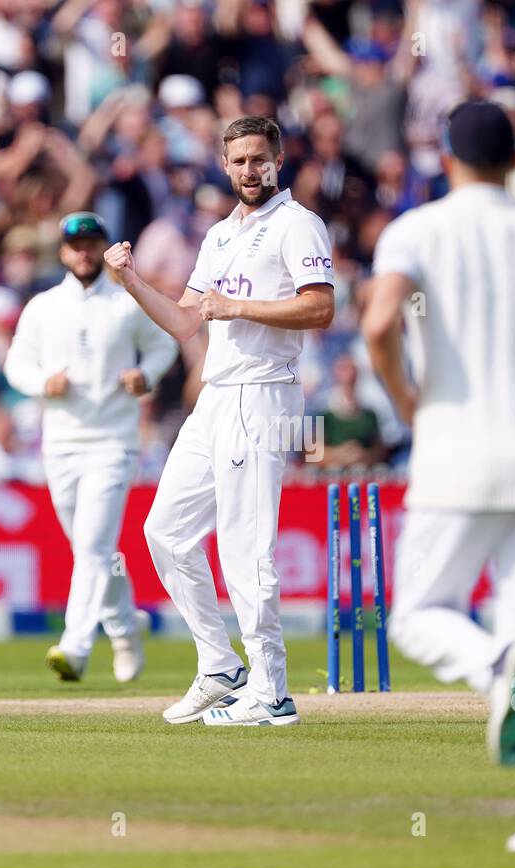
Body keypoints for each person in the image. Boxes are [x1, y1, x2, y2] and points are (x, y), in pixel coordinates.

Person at [362, 101, 515, 853]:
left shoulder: (416, 229)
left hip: (455, 457)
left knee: (418, 614)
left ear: (447, 157)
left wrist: (409, 400)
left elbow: (377, 326)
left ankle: (495, 663)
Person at [103, 115, 335, 726]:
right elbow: (185, 322)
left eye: (260, 160)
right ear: (224, 165)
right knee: (165, 533)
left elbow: (320, 307)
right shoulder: (218, 236)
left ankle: (273, 689)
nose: (249, 171)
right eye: (239, 162)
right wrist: (129, 280)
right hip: (215, 396)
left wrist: (238, 306)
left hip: (263, 394)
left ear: (278, 160)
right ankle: (219, 666)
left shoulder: (297, 224)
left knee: (244, 548)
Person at [3, 211, 177, 683]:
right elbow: (15, 364)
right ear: (62, 252)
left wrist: (145, 375)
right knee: (91, 549)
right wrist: (43, 382)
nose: (82, 252)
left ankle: (74, 646)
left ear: (102, 248)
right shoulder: (42, 307)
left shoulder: (125, 302)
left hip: (114, 441)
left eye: (91, 243)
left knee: (93, 547)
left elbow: (165, 346)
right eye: (74, 245)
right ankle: (124, 629)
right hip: (60, 444)